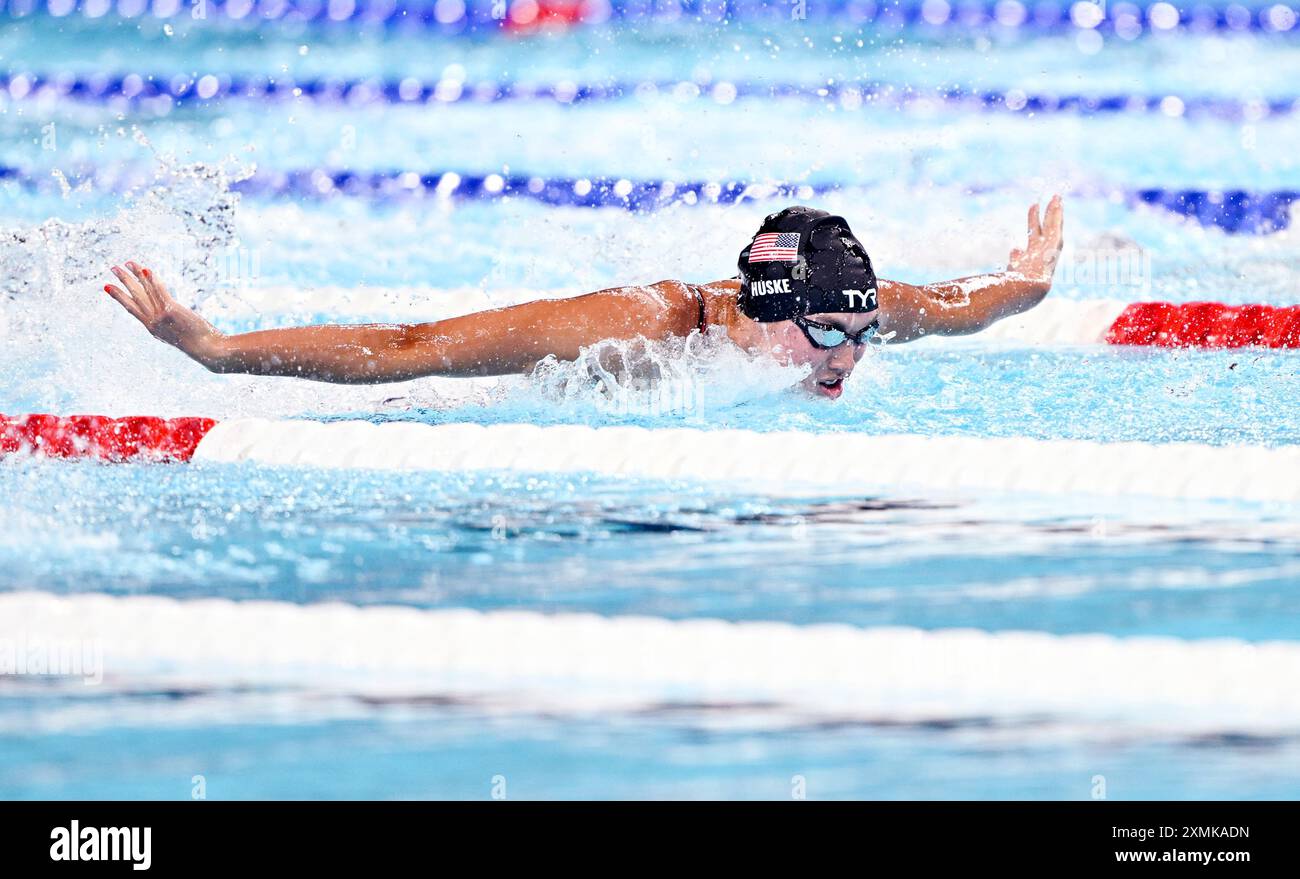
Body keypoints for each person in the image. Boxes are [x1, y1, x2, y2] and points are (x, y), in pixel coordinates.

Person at [104, 196, 1064, 400]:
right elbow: (414, 345)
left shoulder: (847, 310)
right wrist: (218, 349)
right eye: (826, 332)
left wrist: (1026, 283)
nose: (847, 356)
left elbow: (957, 303)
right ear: (765, 309)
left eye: (863, 334)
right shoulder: (645, 326)